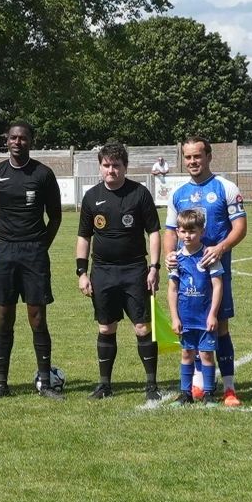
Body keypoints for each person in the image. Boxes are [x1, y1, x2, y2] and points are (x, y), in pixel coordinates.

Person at [0, 123, 65, 398]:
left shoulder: (43, 174)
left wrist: (40, 246)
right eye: (13, 138)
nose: (18, 142)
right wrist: (5, 241)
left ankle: (46, 384)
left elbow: (55, 217)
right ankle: (1, 385)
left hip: (34, 254)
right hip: (4, 253)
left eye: (23, 138)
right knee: (4, 318)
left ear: (31, 141)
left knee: (37, 319)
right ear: (7, 141)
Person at [163, 137, 247, 405]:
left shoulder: (226, 187)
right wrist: (169, 255)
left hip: (216, 273)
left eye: (197, 156)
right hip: (188, 273)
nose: (192, 161)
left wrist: (220, 248)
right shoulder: (178, 194)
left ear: (209, 157)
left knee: (219, 326)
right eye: (188, 157)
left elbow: (240, 227)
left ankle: (229, 387)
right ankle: (199, 383)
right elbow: (170, 231)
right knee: (191, 327)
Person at [78, 142, 162, 400]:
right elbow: (84, 236)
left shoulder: (139, 194)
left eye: (116, 165)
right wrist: (81, 272)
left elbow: (154, 232)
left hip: (134, 270)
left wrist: (154, 267)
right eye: (106, 165)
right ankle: (104, 385)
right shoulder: (91, 197)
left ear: (125, 167)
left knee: (142, 327)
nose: (111, 170)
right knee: (106, 328)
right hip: (102, 271)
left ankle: (151, 385)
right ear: (100, 167)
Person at [165, 209, 224, 404]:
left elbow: (217, 286)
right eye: (183, 231)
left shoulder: (209, 256)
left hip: (204, 316)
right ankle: (185, 394)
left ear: (202, 232)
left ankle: (209, 394)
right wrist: (175, 317)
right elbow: (172, 289)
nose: (187, 236)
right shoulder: (175, 259)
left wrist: (213, 314)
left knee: (206, 354)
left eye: (192, 231)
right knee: (186, 353)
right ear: (177, 232)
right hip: (186, 317)